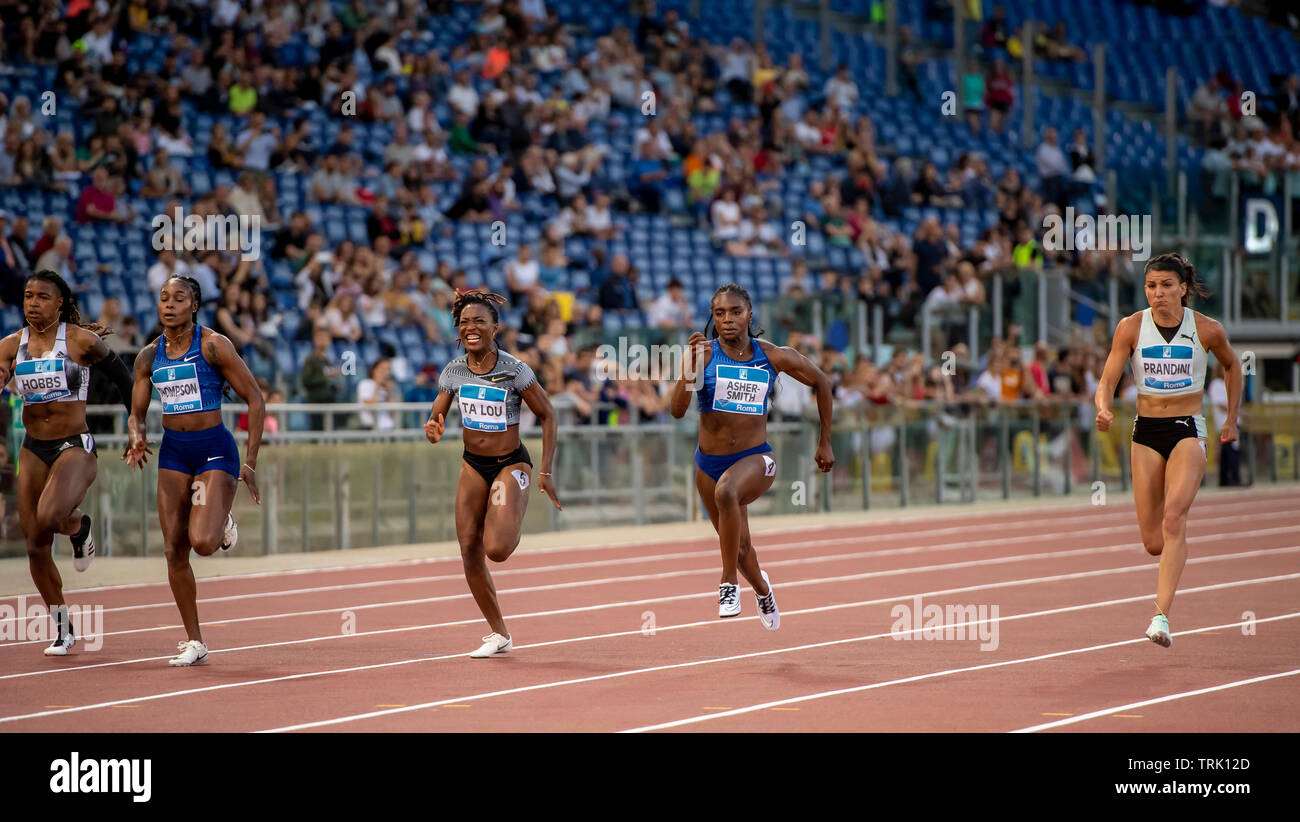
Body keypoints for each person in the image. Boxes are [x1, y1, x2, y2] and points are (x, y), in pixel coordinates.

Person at [1094, 253, 1240, 648]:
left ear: (1183, 289)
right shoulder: (1131, 328)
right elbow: (1107, 378)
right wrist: (1103, 407)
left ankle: (1160, 616)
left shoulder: (1206, 330)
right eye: (1151, 286)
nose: (1157, 294)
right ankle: (1171, 550)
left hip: (1187, 428)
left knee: (1174, 516)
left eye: (1165, 286)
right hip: (1146, 432)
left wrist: (1230, 419)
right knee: (1153, 541)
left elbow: (1232, 366)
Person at [670, 283, 834, 628]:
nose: (727, 319)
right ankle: (762, 590)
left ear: (749, 315)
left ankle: (727, 584)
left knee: (727, 492)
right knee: (741, 547)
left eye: (735, 312)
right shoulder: (704, 354)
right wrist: (689, 368)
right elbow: (675, 410)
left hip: (757, 458)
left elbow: (821, 382)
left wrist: (825, 441)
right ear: (712, 318)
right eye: (719, 313)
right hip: (708, 464)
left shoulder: (772, 355)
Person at [126, 276, 266, 667]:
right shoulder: (147, 357)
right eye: (163, 297)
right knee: (174, 549)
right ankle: (194, 640)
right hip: (173, 454)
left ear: (195, 305)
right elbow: (136, 415)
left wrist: (251, 461)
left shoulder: (213, 345)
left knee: (202, 542)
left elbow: (254, 398)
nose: (169, 304)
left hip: (213, 453)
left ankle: (221, 520)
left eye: (179, 298)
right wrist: (137, 436)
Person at [0, 271, 139, 656]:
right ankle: (63, 629)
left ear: (60, 302)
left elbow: (123, 377)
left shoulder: (79, 341)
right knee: (35, 544)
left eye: (42, 296)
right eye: (28, 296)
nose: (33, 303)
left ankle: (78, 526)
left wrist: (135, 423)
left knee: (48, 516)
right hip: (32, 447)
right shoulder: (12, 345)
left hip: (73, 445)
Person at [423, 290, 563, 658]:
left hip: (510, 462)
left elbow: (549, 415)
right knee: (469, 550)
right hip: (473, 463)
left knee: (496, 549)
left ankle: (511, 513)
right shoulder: (453, 371)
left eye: (479, 321)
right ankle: (499, 634)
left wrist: (545, 470)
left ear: (495, 327)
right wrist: (434, 427)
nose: (471, 327)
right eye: (465, 322)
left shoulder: (514, 370)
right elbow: (437, 414)